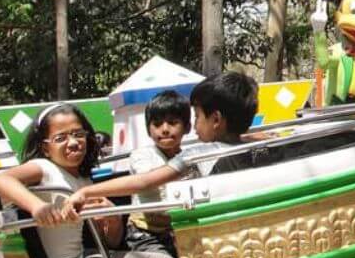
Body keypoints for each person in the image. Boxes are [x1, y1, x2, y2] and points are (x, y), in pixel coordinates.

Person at [0, 104, 185, 258]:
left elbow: (111, 241)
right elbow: (0, 180)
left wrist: (111, 218)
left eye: (78, 134)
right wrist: (37, 207)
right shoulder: (44, 168)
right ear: (45, 148)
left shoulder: (83, 180)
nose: (73, 142)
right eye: (61, 138)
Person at [62, 72, 259, 213]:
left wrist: (86, 192)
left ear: (215, 120)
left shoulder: (196, 154)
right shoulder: (256, 149)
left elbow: (143, 181)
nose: (195, 125)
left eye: (197, 116)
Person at [125, 90, 195, 258]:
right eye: (157, 124)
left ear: (187, 127)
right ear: (148, 130)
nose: (164, 129)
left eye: (172, 123)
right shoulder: (141, 155)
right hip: (145, 233)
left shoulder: (191, 158)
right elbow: (147, 179)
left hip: (180, 230)